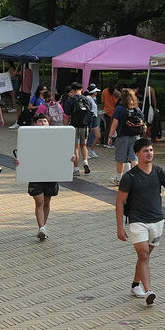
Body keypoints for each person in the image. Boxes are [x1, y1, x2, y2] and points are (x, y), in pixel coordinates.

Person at [115, 140, 165, 305]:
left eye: (151, 150)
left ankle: (135, 285)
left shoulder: (159, 172)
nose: (150, 153)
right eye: (146, 151)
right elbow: (120, 203)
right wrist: (120, 227)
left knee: (145, 257)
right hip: (137, 221)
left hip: (157, 221)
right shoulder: (129, 177)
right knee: (143, 254)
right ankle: (148, 291)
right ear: (137, 154)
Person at [22, 107, 59, 241]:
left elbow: (62, 153)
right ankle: (41, 227)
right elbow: (24, 154)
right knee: (39, 200)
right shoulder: (28, 137)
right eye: (40, 121)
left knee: (47, 201)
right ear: (35, 124)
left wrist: (70, 159)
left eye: (45, 121)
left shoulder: (56, 137)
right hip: (35, 173)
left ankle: (43, 226)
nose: (43, 123)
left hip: (51, 172)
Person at [64, 83, 98, 177]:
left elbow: (67, 116)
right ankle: (86, 162)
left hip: (74, 126)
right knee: (84, 145)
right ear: (81, 89)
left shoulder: (70, 101)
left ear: (73, 90)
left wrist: (65, 127)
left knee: (75, 147)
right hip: (85, 126)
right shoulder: (87, 99)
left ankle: (76, 169)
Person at [113, 89, 147, 177]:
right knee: (134, 157)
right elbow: (142, 120)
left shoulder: (119, 108)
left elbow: (115, 123)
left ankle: (119, 178)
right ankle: (134, 178)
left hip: (122, 136)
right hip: (135, 136)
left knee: (121, 159)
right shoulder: (136, 108)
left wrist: (110, 135)